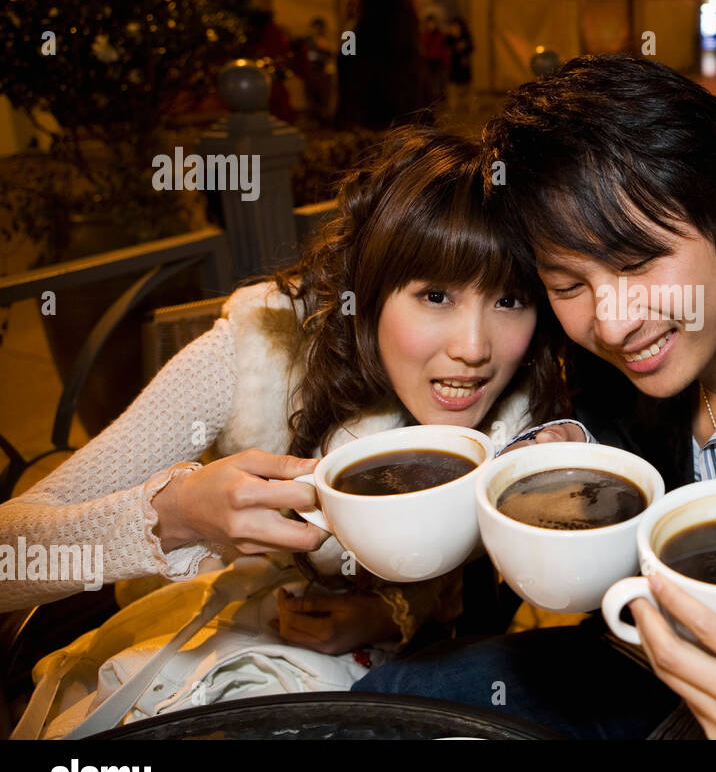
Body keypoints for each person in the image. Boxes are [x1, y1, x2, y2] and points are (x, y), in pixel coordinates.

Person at [355, 55, 716, 739]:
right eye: (569, 285)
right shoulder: (611, 342)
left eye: (636, 262)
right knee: (389, 703)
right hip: (642, 665)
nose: (614, 321)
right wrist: (569, 445)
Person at [2, 129, 568, 734]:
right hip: (197, 665)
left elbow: (495, 590)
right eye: (435, 295)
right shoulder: (256, 355)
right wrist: (176, 515)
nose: (475, 349)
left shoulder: (528, 403)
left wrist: (392, 614)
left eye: (509, 300)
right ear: (369, 293)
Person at [335, 0, 433, 130]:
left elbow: (349, 56)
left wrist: (346, 46)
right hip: (406, 97)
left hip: (382, 101)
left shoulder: (371, 11)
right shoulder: (400, 1)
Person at [445, 17, 475, 114]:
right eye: (452, 26)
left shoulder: (465, 36)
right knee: (453, 88)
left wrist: (464, 47)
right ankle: (454, 107)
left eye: (456, 26)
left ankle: (469, 107)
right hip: (454, 67)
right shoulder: (449, 38)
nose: (454, 28)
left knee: (467, 88)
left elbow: (471, 48)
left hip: (464, 67)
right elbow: (446, 48)